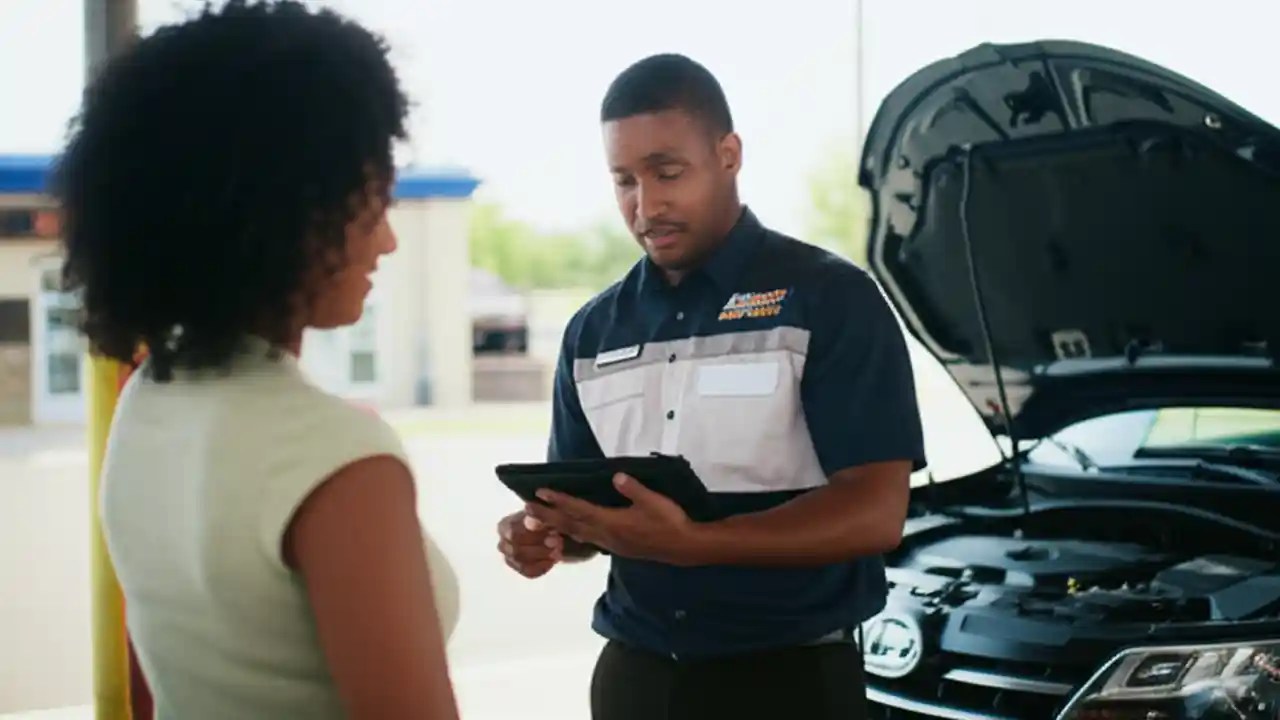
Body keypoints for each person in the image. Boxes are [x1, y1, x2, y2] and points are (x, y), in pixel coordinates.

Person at [53, 2, 460, 718]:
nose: (388, 242)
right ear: (284, 213)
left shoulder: (148, 400)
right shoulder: (336, 457)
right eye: (369, 203)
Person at [496, 53, 927, 719]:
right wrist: (547, 532)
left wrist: (699, 545)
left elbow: (875, 510)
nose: (647, 204)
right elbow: (590, 515)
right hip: (633, 679)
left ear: (728, 154)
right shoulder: (592, 331)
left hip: (789, 682)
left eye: (668, 173)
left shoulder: (830, 299)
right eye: (624, 181)